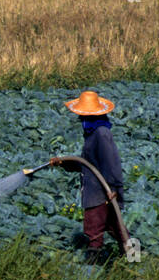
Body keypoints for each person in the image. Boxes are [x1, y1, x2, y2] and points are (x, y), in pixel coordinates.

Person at [48, 90, 125, 265]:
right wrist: (63, 163)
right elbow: (87, 164)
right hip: (98, 189)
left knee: (94, 231)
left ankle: (92, 271)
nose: (79, 118)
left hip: (100, 192)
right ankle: (132, 261)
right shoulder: (92, 132)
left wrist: (113, 189)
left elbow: (111, 163)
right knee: (116, 229)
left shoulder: (101, 134)